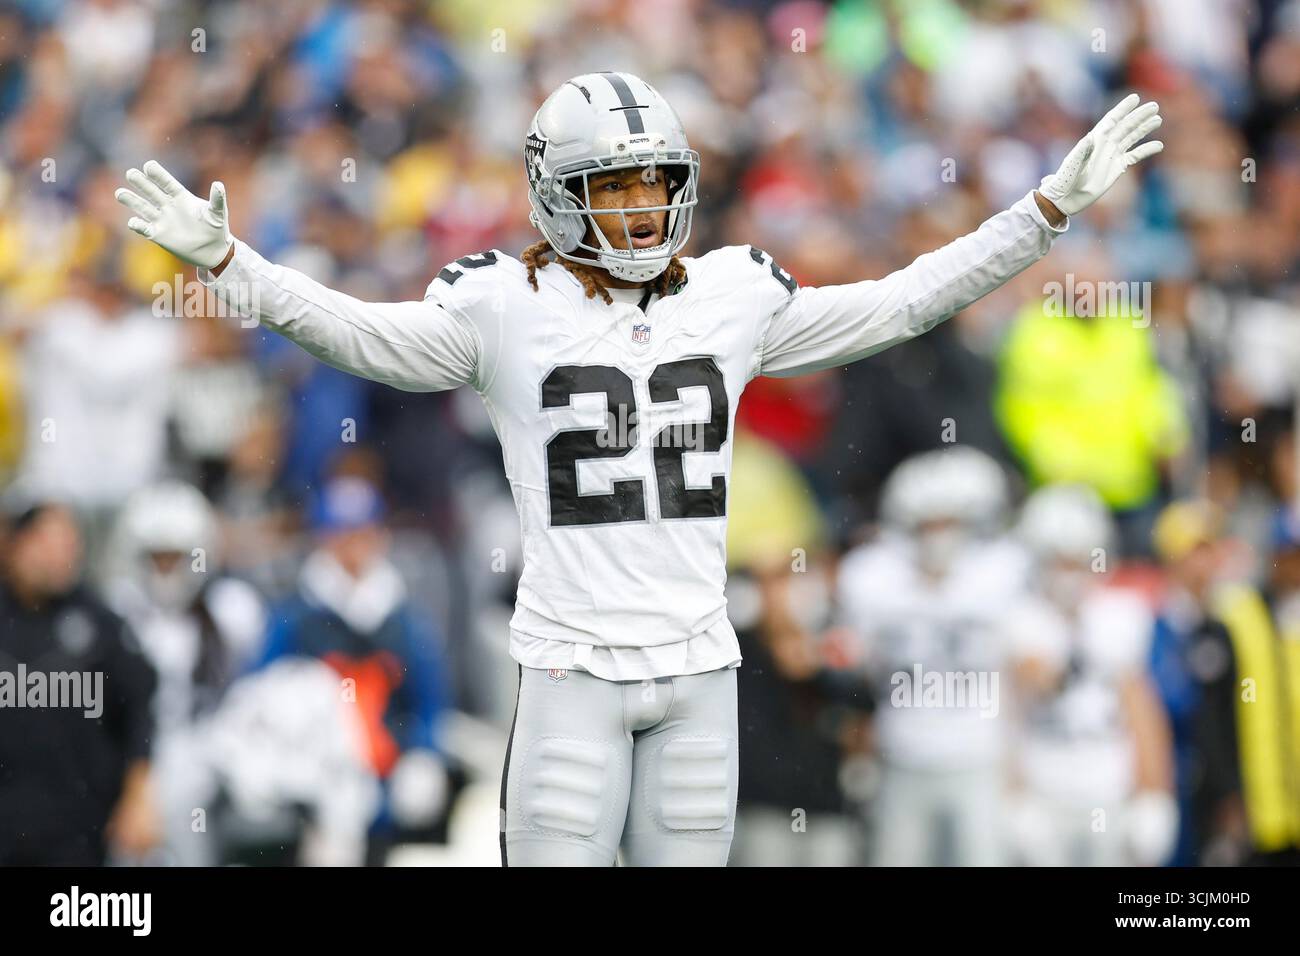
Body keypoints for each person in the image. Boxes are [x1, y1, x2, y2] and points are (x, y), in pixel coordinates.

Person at [115, 73, 1164, 866]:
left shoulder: (732, 294)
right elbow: (360, 337)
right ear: (554, 196)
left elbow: (900, 301)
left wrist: (1042, 216)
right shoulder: (502, 306)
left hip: (700, 668)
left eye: (656, 186)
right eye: (612, 189)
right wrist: (229, 266)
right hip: (572, 669)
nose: (641, 212)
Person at [838, 447, 1025, 866]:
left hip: (978, 759)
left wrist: (1020, 771)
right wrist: (860, 752)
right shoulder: (874, 579)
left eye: (950, 522)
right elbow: (858, 680)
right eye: (928, 523)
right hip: (902, 758)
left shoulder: (1004, 574)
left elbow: (1023, 677)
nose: (938, 534)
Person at [256, 476, 452, 864]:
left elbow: (431, 698)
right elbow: (260, 696)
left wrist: (424, 754)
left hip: (385, 777)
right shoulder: (296, 619)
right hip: (317, 782)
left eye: (362, 533)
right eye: (341, 534)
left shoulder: (404, 622)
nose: (352, 546)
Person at [1005, 485, 1176, 867]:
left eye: (1077, 561)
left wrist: (1153, 793)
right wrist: (1012, 796)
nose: (1069, 574)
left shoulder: (1121, 616)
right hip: (1045, 793)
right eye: (1058, 562)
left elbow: (1141, 710)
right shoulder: (1019, 620)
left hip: (1107, 791)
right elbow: (1008, 716)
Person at [0, 501, 158, 865]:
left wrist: (139, 795)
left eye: (69, 543)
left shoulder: (99, 624)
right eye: (47, 542)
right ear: (16, 544)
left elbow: (139, 707)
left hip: (76, 829)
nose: (61, 555)